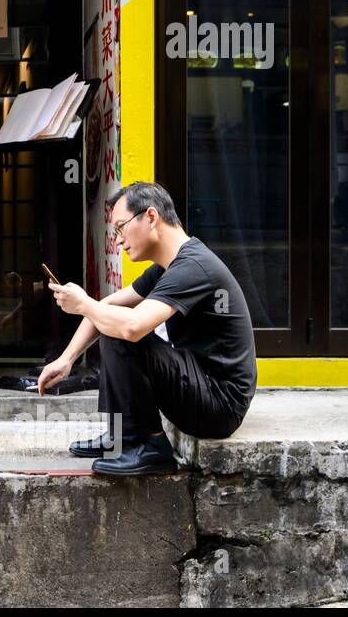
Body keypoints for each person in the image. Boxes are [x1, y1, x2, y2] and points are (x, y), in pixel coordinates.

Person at [40, 181, 257, 475]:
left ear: (151, 217)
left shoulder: (194, 266)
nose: (118, 240)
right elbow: (108, 304)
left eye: (120, 227)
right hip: (201, 384)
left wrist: (83, 304)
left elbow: (132, 327)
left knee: (121, 330)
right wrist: (66, 359)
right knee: (112, 319)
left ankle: (150, 446)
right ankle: (122, 435)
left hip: (220, 404)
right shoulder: (169, 266)